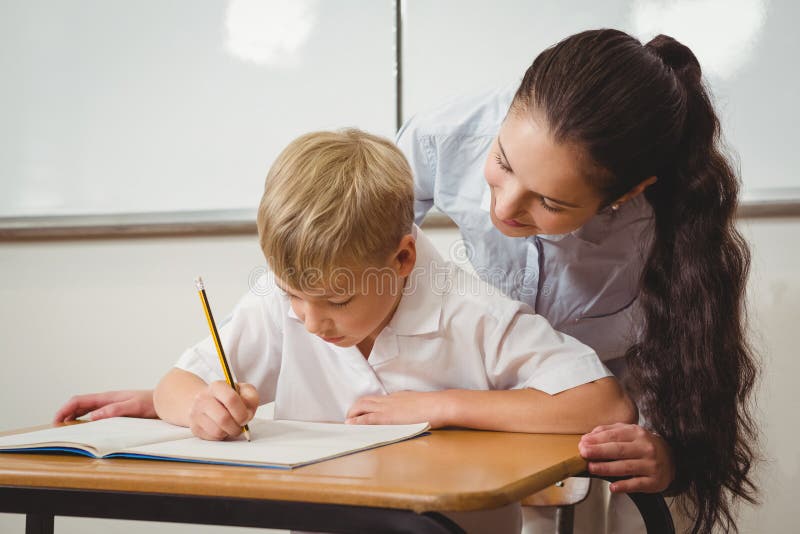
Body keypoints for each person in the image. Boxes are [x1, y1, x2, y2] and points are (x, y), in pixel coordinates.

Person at [55, 28, 759, 534]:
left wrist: (445, 404)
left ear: (622, 194)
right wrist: (183, 394)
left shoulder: (644, 242)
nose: (503, 210)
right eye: (504, 164)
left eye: (549, 204)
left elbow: (612, 399)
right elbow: (344, 226)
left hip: (565, 446)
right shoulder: (434, 149)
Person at [64, 128, 635, 532]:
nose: (309, 321)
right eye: (293, 294)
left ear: (403, 258)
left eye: (336, 299)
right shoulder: (280, 303)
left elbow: (603, 403)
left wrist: (443, 407)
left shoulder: (469, 310)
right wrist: (199, 408)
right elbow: (175, 385)